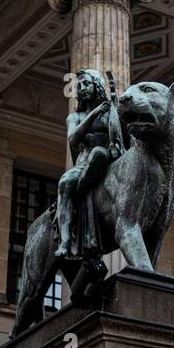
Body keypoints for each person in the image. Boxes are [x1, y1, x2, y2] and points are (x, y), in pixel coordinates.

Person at [56, 69, 123, 258]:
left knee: (100, 153)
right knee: (65, 182)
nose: (81, 89)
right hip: (83, 163)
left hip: (109, 162)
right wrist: (93, 114)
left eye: (86, 84)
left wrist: (114, 110)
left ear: (97, 86)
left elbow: (120, 139)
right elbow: (73, 139)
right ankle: (65, 240)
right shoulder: (75, 117)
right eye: (78, 86)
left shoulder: (110, 111)